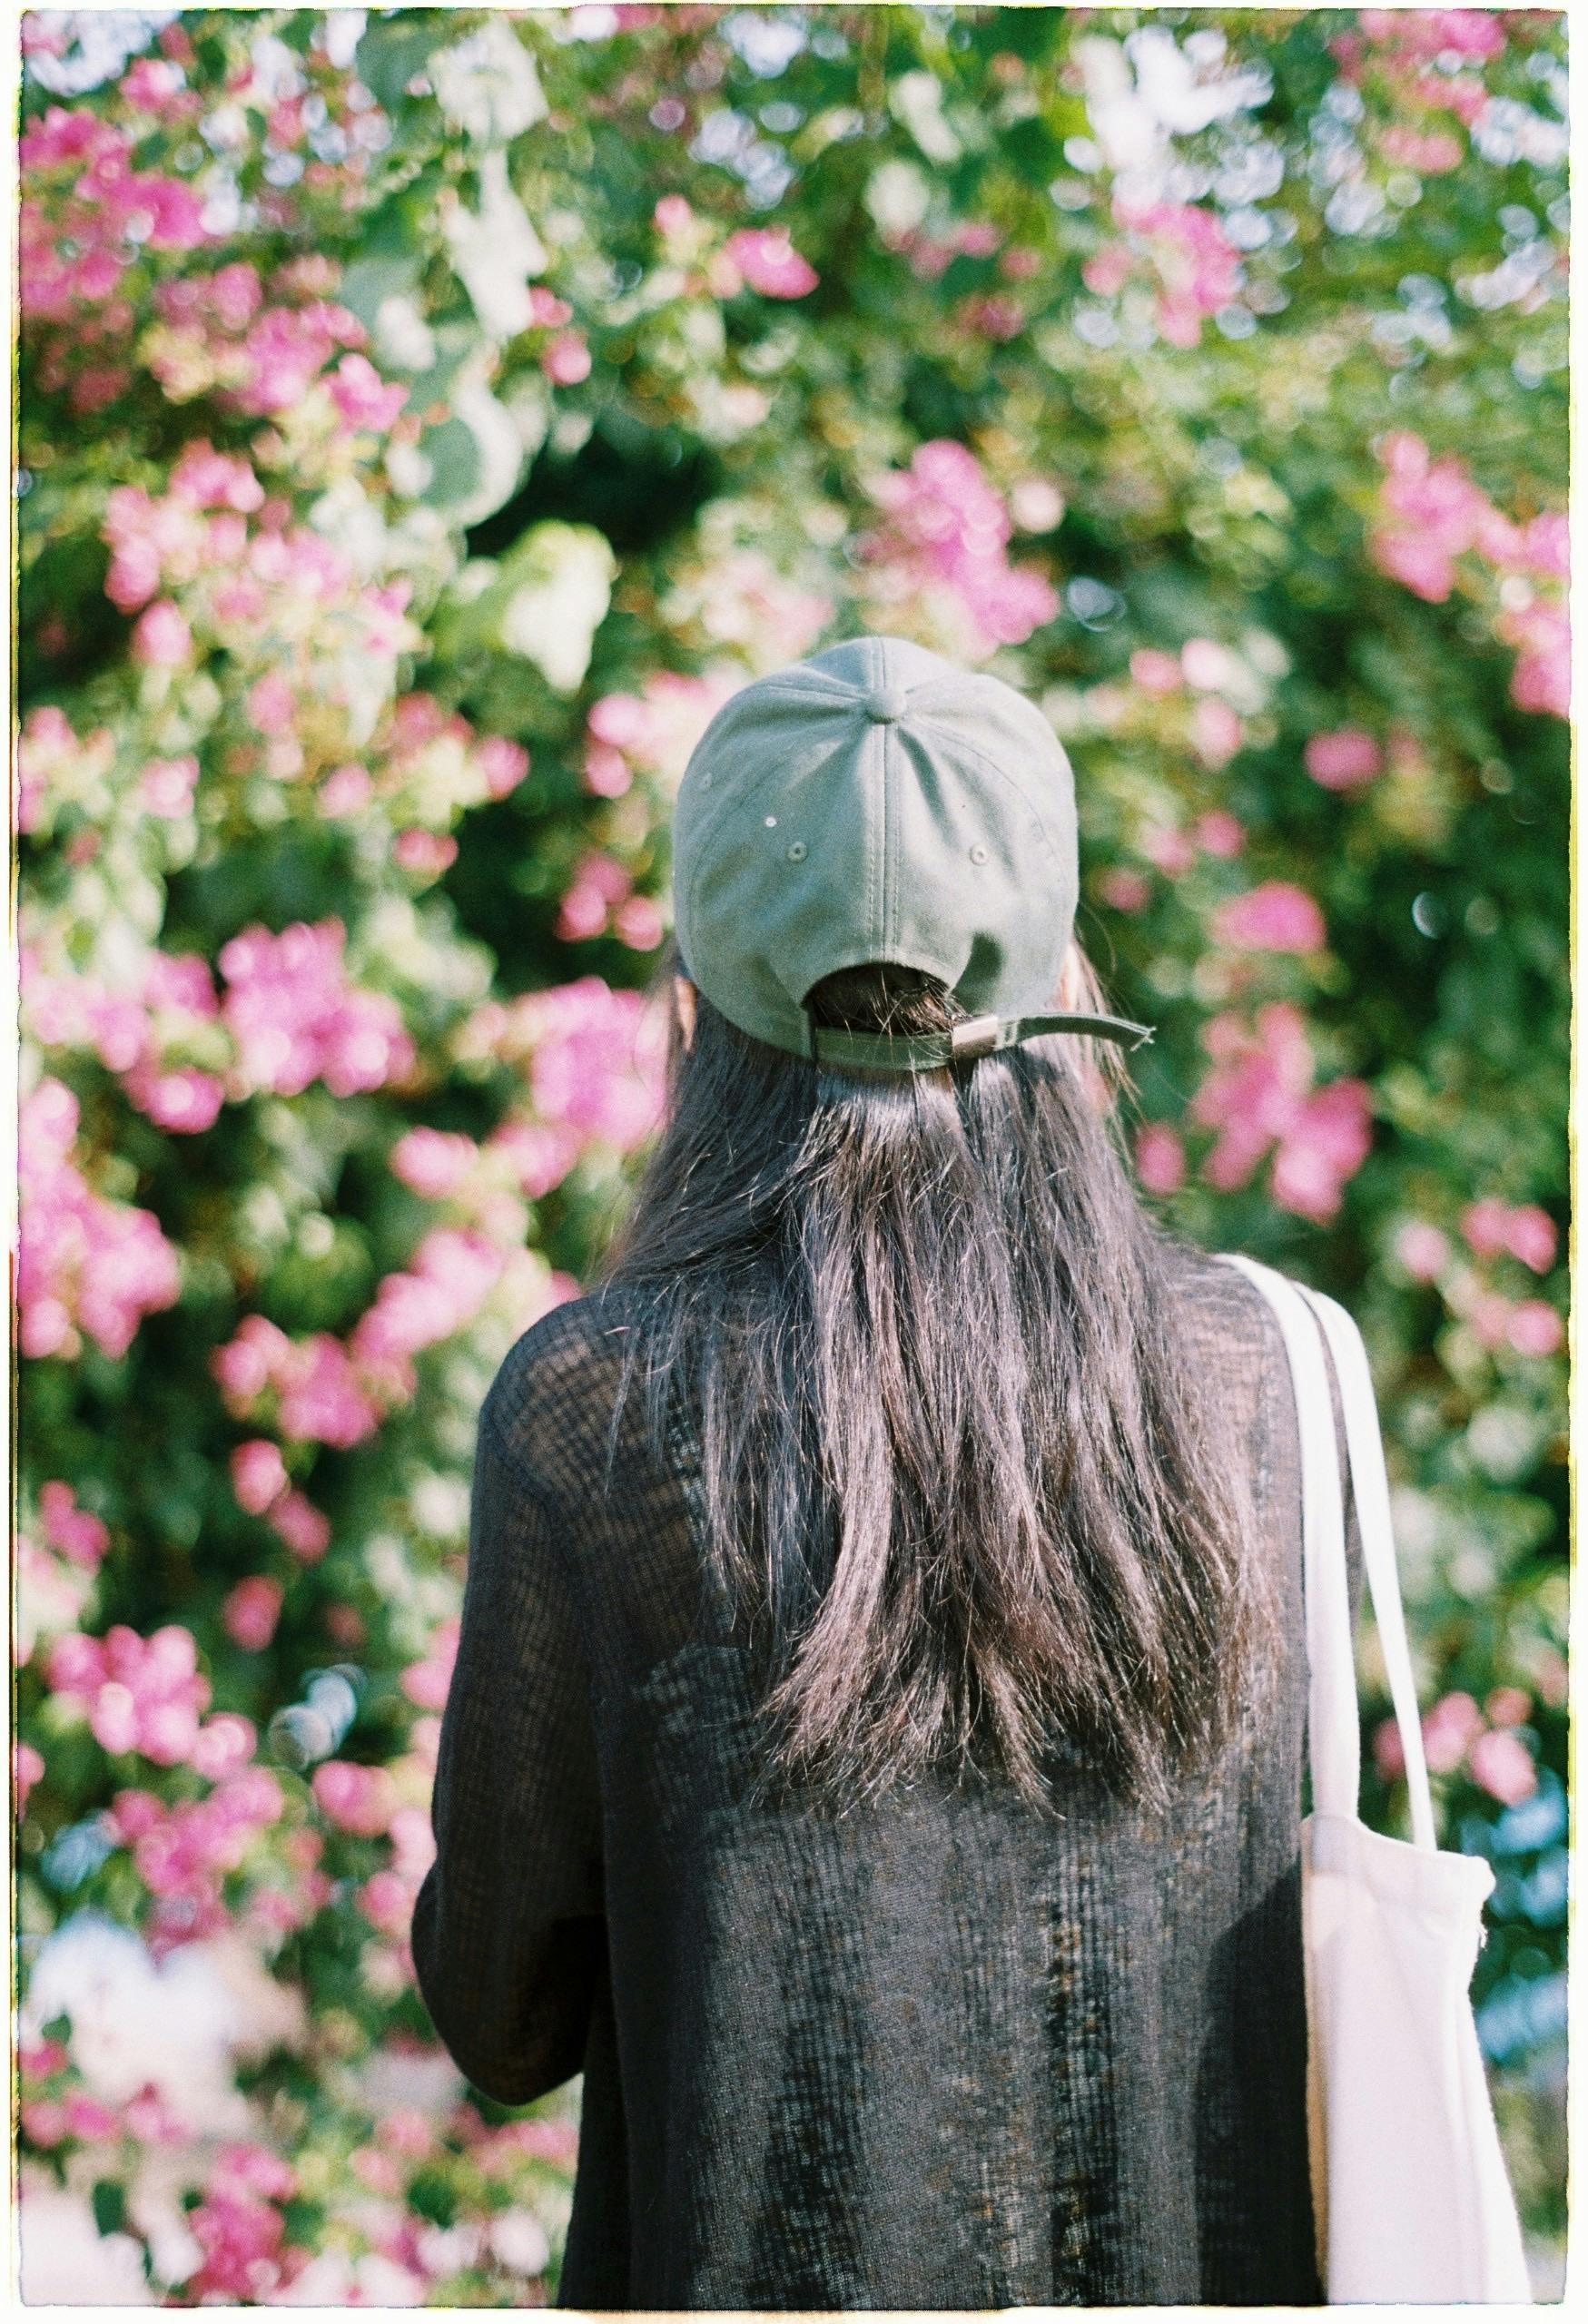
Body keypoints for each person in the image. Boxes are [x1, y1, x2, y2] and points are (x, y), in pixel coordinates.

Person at [409, 634, 1364, 2309]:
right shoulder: (1258, 1373)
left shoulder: (593, 1409)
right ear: (1056, 969)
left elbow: (504, 2017)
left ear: (695, 1003)